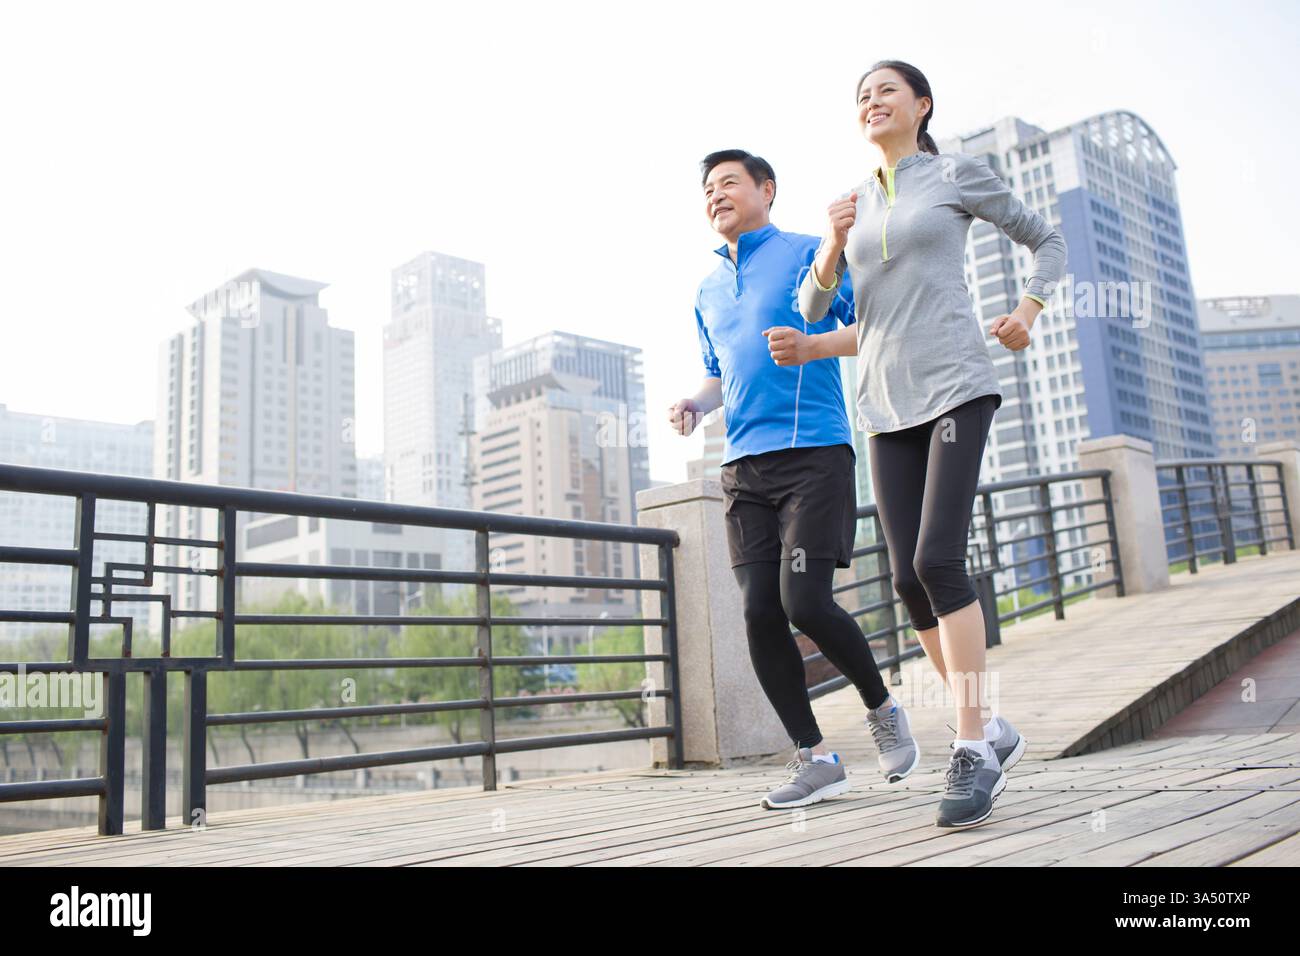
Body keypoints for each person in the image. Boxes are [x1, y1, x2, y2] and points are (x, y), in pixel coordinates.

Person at [791, 61, 1067, 828]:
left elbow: (1047, 239)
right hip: (885, 408)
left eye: (886, 91)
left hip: (956, 386)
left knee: (935, 560)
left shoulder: (952, 176)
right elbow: (816, 308)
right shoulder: (854, 204)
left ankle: (973, 745)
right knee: (910, 585)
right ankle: (992, 725)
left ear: (921, 105)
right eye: (861, 96)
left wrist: (1028, 307)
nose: (872, 102)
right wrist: (831, 240)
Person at [669, 148, 920, 811]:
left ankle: (883, 709)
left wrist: (814, 331)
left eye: (729, 183)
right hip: (743, 467)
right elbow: (719, 373)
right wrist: (697, 405)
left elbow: (871, 326)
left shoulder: (815, 250)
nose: (716, 196)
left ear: (766, 190)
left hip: (814, 452)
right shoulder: (706, 289)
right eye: (708, 190)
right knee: (757, 610)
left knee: (803, 601)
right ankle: (814, 757)